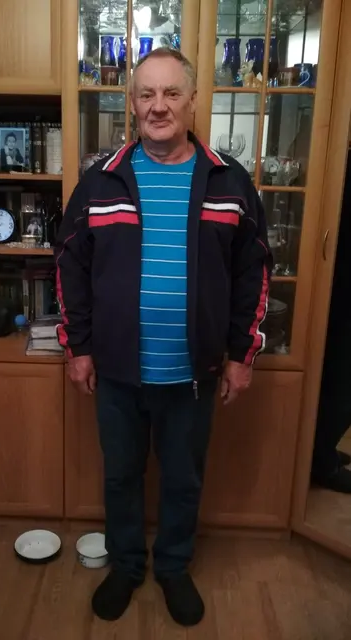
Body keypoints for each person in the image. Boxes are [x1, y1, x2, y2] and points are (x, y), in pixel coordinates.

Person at [55, 47, 271, 627]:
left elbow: (254, 272)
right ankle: (127, 565)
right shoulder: (101, 180)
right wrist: (77, 348)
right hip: (117, 372)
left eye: (172, 93)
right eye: (146, 94)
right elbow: (69, 264)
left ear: (193, 101)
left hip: (193, 373)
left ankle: (173, 567)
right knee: (121, 476)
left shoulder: (229, 181)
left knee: (182, 479)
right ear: (132, 103)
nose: (158, 106)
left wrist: (242, 356)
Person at [311, 152, 351, 493]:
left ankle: (320, 448)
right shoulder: (340, 155)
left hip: (336, 281)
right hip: (338, 282)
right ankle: (320, 458)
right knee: (340, 377)